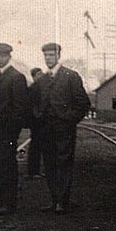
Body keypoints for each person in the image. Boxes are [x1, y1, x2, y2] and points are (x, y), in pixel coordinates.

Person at [39, 42, 91, 214]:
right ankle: (55, 200)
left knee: (63, 163)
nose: (48, 59)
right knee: (49, 164)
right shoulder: (43, 79)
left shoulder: (70, 76)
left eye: (51, 55)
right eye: (46, 56)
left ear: (58, 56)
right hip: (46, 130)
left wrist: (69, 120)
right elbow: (36, 103)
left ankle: (62, 201)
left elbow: (83, 103)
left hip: (64, 129)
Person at [0, 42, 29, 215]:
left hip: (6, 132)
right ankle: (1, 201)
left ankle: (9, 203)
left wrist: (12, 131)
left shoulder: (16, 77)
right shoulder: (1, 75)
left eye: (2, 56)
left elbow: (20, 108)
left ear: (9, 57)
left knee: (7, 166)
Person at [26, 67, 48, 178]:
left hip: (39, 121)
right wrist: (38, 116)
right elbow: (32, 106)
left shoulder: (40, 87)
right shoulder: (33, 88)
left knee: (39, 146)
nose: (41, 75)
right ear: (34, 76)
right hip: (36, 122)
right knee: (36, 146)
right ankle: (33, 171)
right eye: (39, 74)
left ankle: (36, 170)